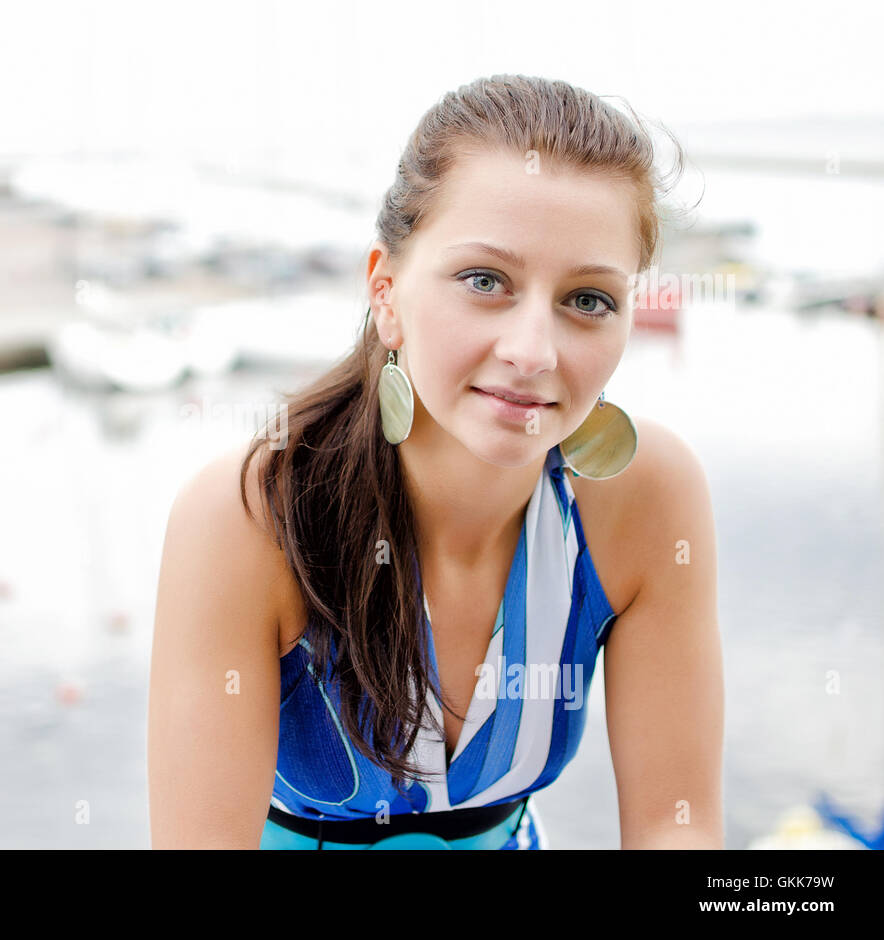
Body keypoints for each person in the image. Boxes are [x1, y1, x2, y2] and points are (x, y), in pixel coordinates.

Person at [147, 74, 723, 849]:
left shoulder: (645, 496)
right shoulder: (252, 516)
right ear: (386, 292)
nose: (532, 352)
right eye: (485, 281)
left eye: (588, 299)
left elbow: (672, 827)